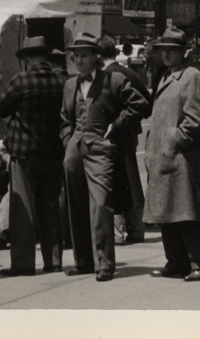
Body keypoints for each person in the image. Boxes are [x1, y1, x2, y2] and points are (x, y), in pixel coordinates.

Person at [61, 31, 148, 282]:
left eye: (84, 56)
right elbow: (65, 119)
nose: (79, 61)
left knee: (100, 205)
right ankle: (84, 261)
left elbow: (140, 104)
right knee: (76, 206)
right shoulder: (69, 85)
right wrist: (68, 142)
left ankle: (105, 264)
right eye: (75, 56)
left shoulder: (113, 79)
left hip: (100, 149)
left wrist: (117, 124)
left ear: (95, 56)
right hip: (75, 152)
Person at [144, 26, 200, 282]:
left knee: (188, 215)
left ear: (182, 52)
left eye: (171, 50)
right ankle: (176, 262)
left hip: (182, 159)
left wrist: (174, 141)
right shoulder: (167, 75)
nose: (165, 54)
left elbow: (195, 118)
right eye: (163, 50)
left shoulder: (191, 76)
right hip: (166, 157)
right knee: (168, 214)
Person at [0, 35, 65, 275]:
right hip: (53, 154)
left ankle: (23, 263)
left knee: (23, 211)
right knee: (50, 210)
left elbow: (1, 109)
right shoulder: (60, 81)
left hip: (24, 155)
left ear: (27, 58)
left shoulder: (21, 81)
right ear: (46, 56)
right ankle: (53, 262)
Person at [97, 35, 147, 247]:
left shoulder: (102, 79)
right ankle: (136, 228)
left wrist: (116, 123)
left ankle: (117, 233)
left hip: (108, 135)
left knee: (113, 183)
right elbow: (147, 103)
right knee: (131, 180)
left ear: (98, 57)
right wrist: (131, 121)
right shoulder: (130, 73)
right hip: (129, 136)